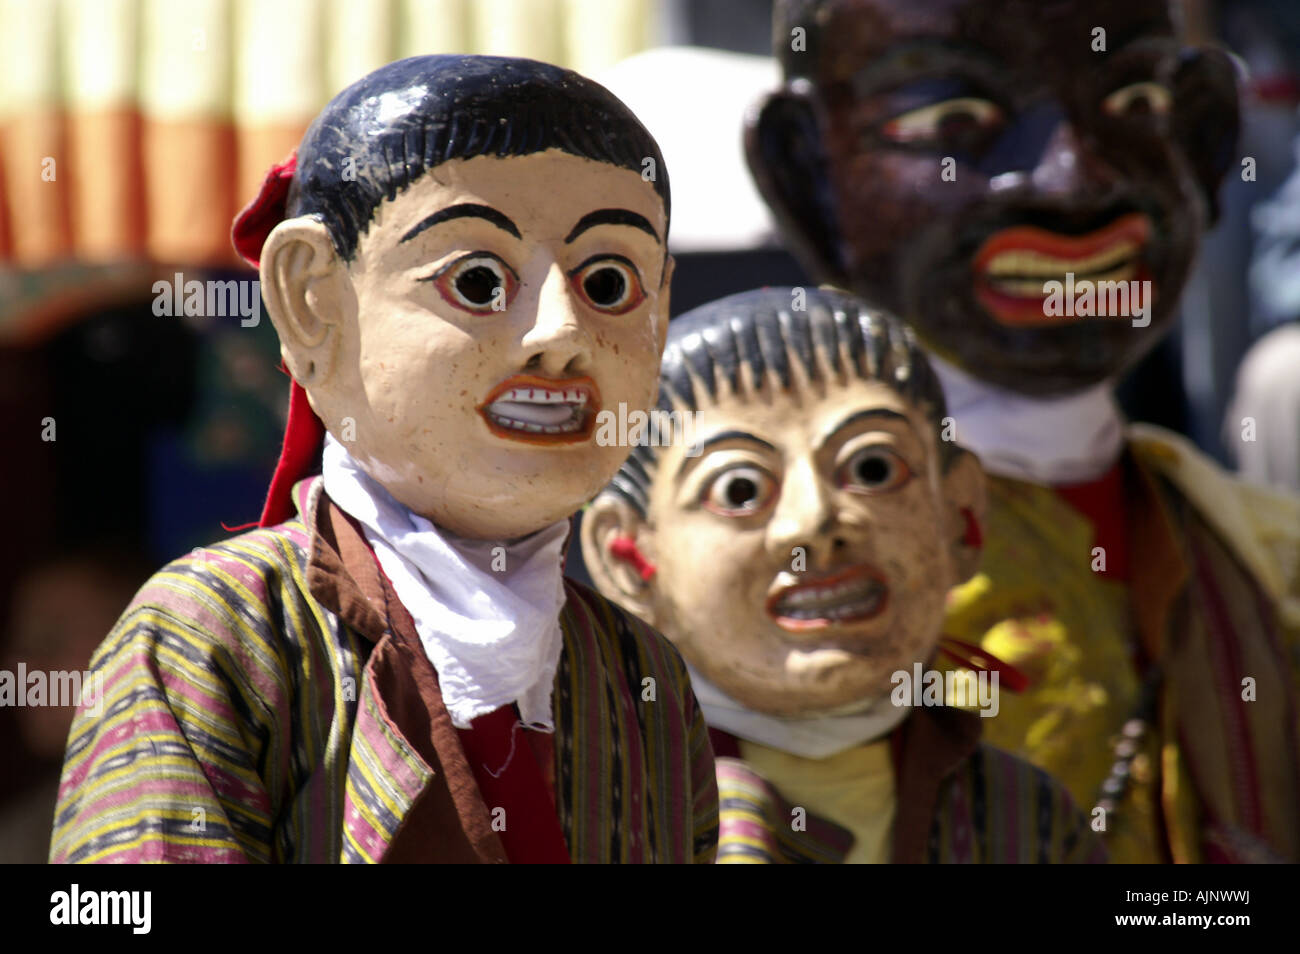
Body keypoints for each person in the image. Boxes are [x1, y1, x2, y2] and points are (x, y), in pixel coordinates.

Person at [50, 55, 718, 864]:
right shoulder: (217, 633)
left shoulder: (639, 674)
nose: (561, 334)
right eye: (477, 279)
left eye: (609, 283)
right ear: (313, 301)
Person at [746, 0, 1300, 862]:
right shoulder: (752, 595)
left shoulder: (1262, 560)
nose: (1076, 179)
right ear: (808, 173)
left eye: (1133, 107)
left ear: (1202, 138)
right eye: (955, 120)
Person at [582, 286, 1105, 863]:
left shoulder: (1022, 818)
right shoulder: (596, 809)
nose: (815, 521)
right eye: (740, 489)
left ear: (959, 517)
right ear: (627, 561)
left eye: (873, 467)